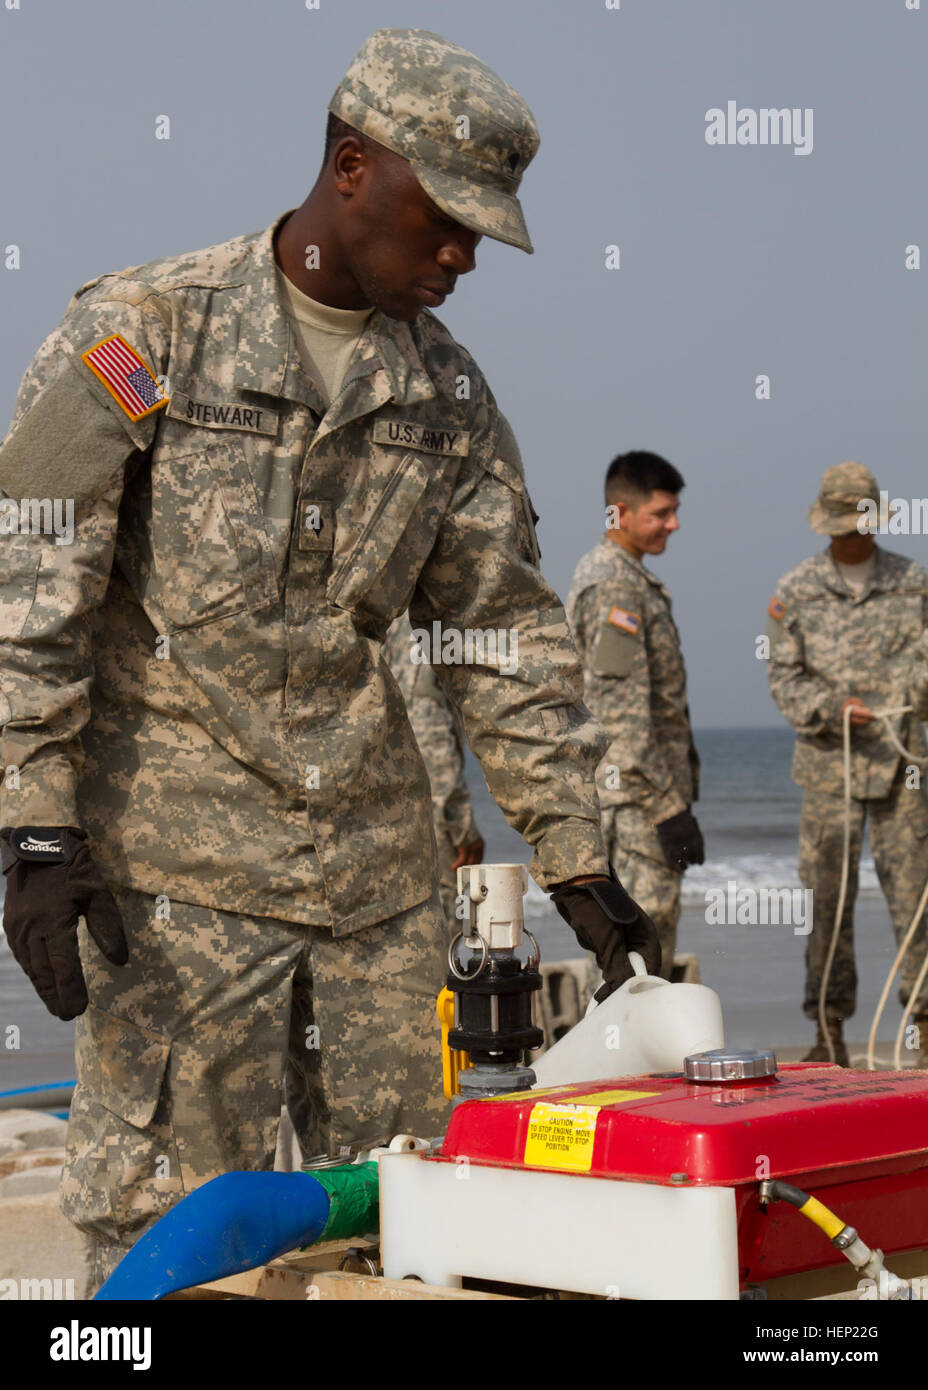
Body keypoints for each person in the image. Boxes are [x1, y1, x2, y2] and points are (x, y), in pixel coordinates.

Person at [0, 28, 659, 1289]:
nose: (463, 254)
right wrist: (33, 825)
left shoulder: (450, 402)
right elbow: (33, 594)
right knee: (166, 1239)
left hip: (379, 892)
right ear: (352, 166)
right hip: (178, 898)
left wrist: (574, 851)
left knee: (411, 1216)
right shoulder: (142, 336)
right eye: (446, 220)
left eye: (482, 232)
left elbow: (502, 636)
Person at [766, 461, 928, 1066]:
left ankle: (923, 1031)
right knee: (826, 906)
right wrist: (832, 708)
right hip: (828, 772)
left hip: (904, 771)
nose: (850, 536)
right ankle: (829, 1032)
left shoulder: (917, 586)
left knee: (917, 906)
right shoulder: (796, 591)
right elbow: (783, 677)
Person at [566, 451, 702, 981]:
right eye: (661, 513)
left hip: (639, 794)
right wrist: (669, 810)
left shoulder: (628, 578)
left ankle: (632, 1058)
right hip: (637, 800)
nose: (674, 523)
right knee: (642, 950)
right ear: (620, 513)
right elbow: (620, 715)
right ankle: (627, 1062)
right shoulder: (615, 585)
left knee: (637, 950)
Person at [383, 612, 484, 934]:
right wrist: (461, 827)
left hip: (389, 803)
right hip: (425, 809)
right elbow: (429, 735)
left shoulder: (395, 617)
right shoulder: (425, 627)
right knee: (443, 931)